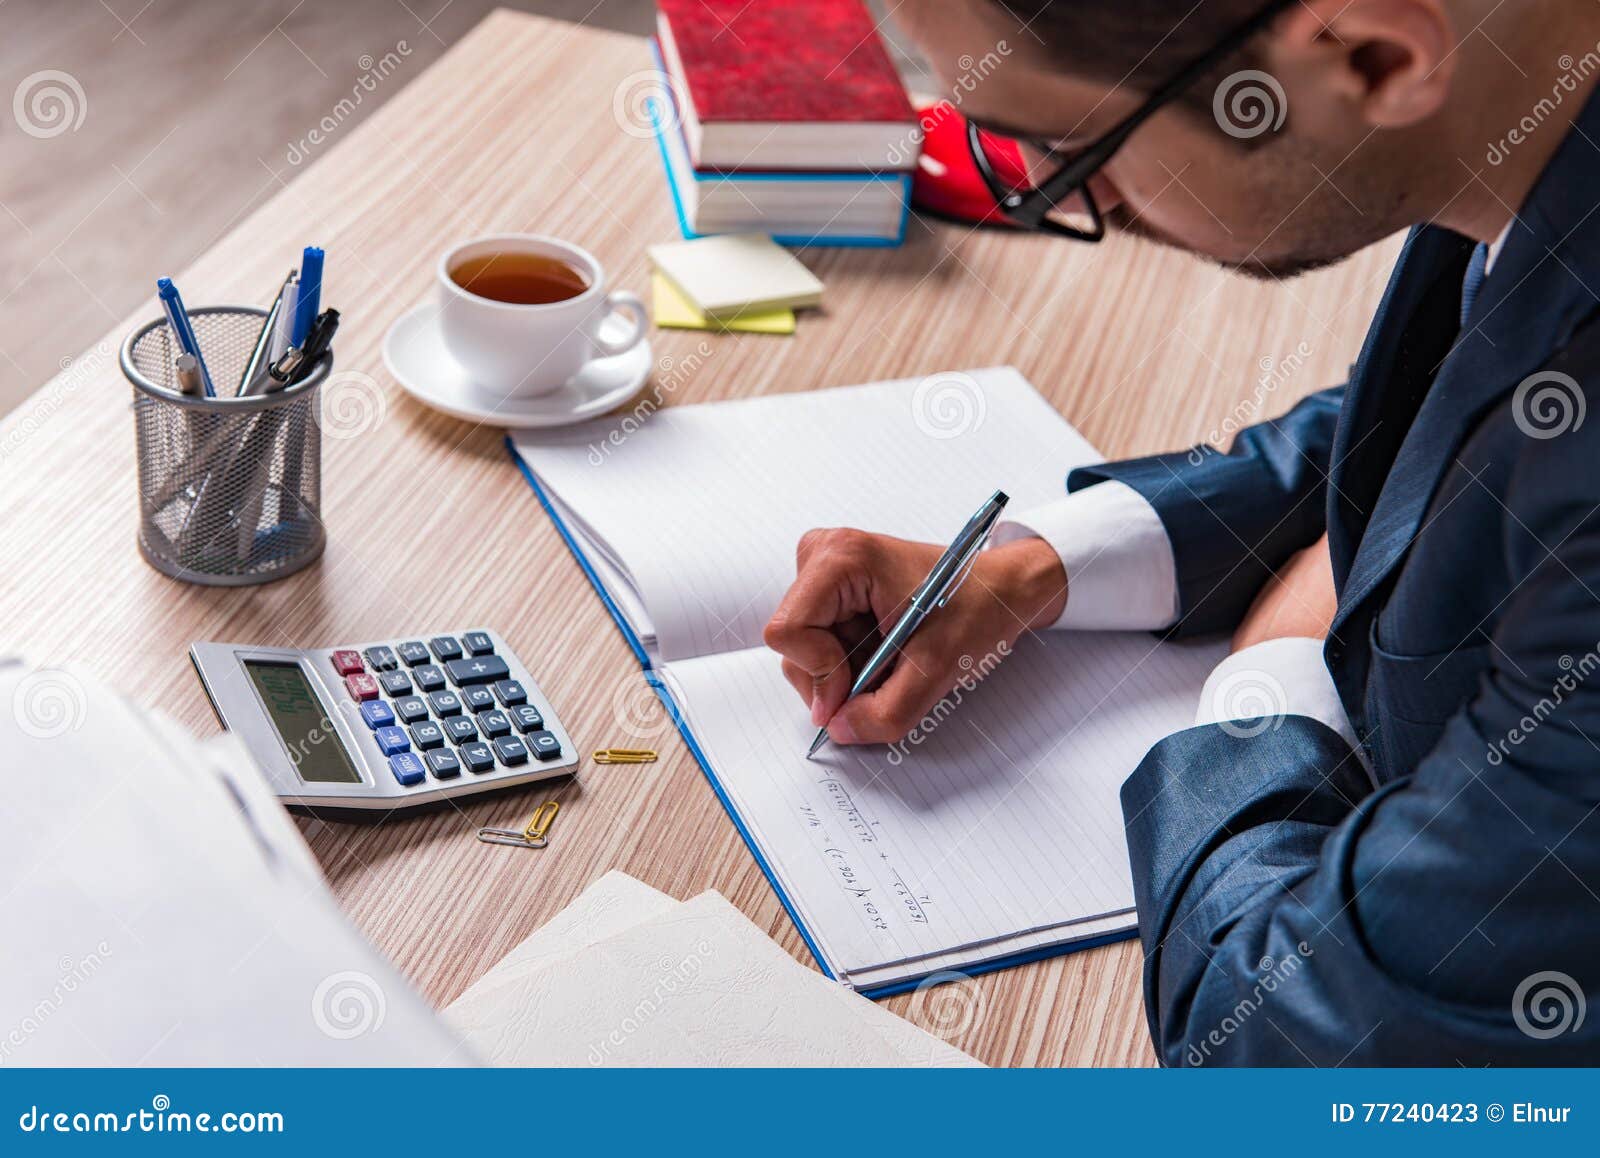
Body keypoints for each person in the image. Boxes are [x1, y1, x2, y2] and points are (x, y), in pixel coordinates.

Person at [763, 0, 1600, 1065]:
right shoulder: (1526, 118)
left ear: (1375, 54)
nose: (1087, 206)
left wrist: (1270, 676)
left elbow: (1290, 1061)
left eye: (1073, 150)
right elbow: (1450, 396)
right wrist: (1037, 569)